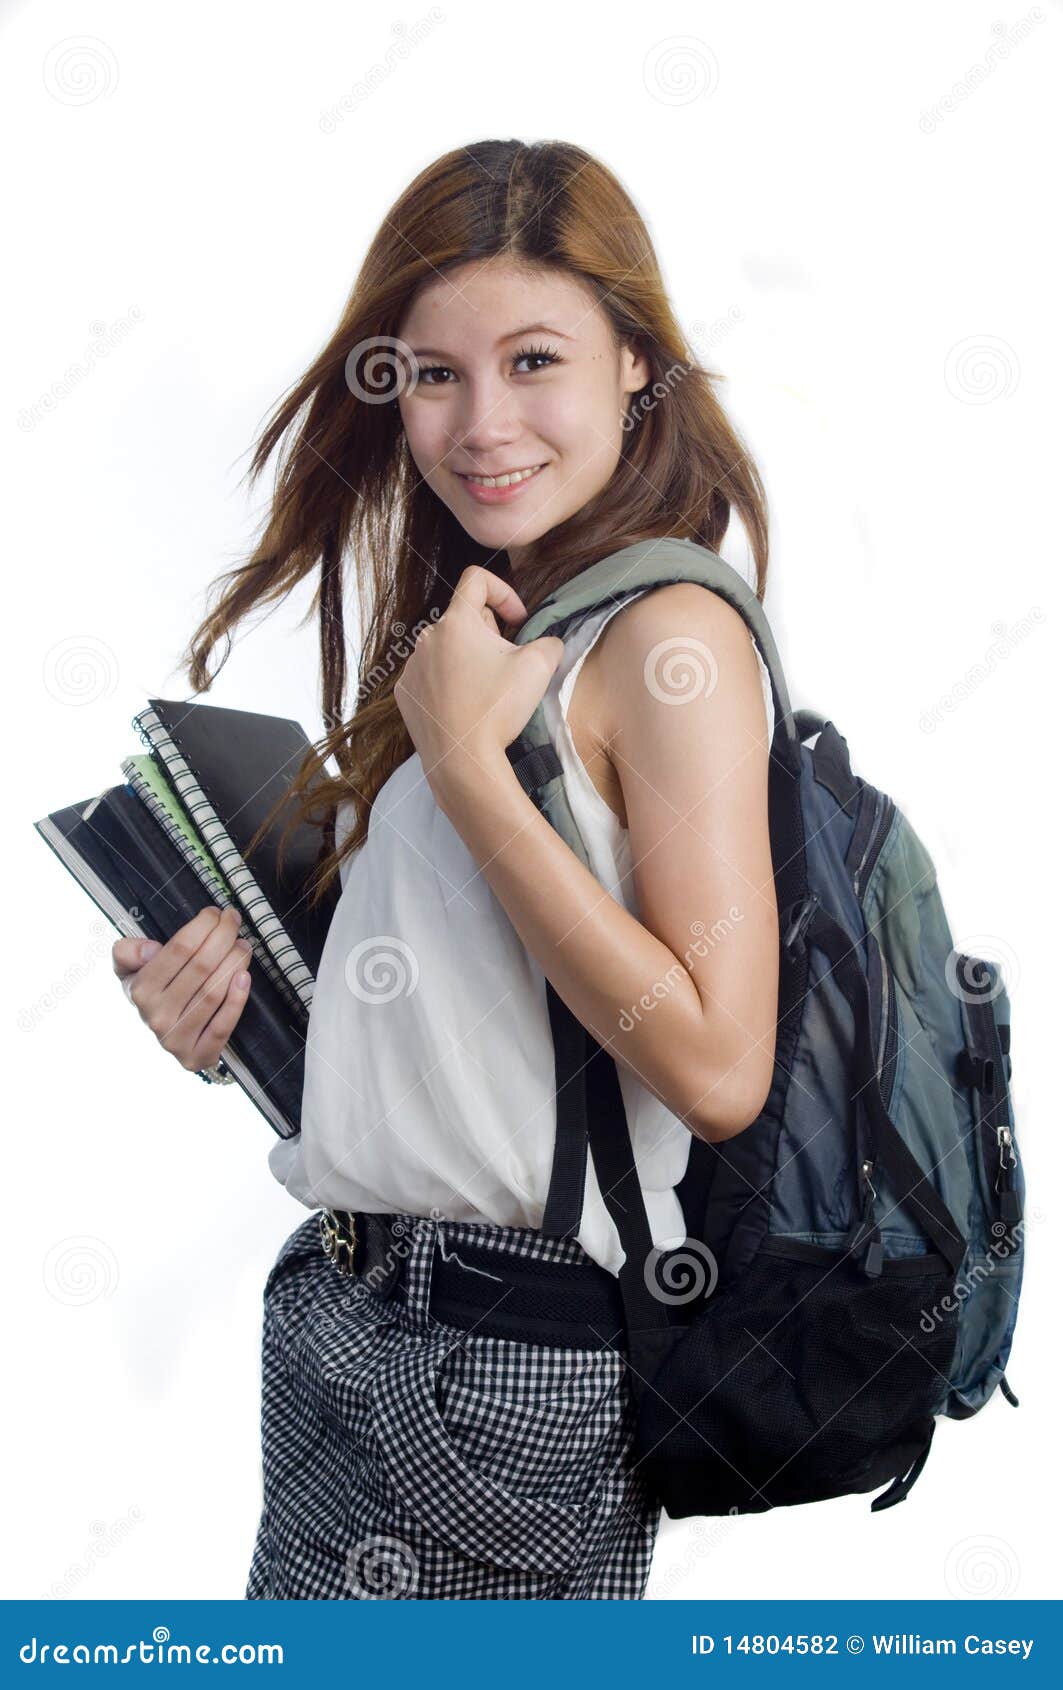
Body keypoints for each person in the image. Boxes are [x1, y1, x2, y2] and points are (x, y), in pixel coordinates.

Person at [111, 137, 779, 1600]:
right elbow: (486, 1050)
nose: (483, 422)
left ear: (637, 369)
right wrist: (236, 1024)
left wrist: (471, 775)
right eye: (432, 373)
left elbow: (721, 1065)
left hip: (497, 1369)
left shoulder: (670, 642)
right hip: (351, 1320)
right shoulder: (501, 626)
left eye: (536, 358)